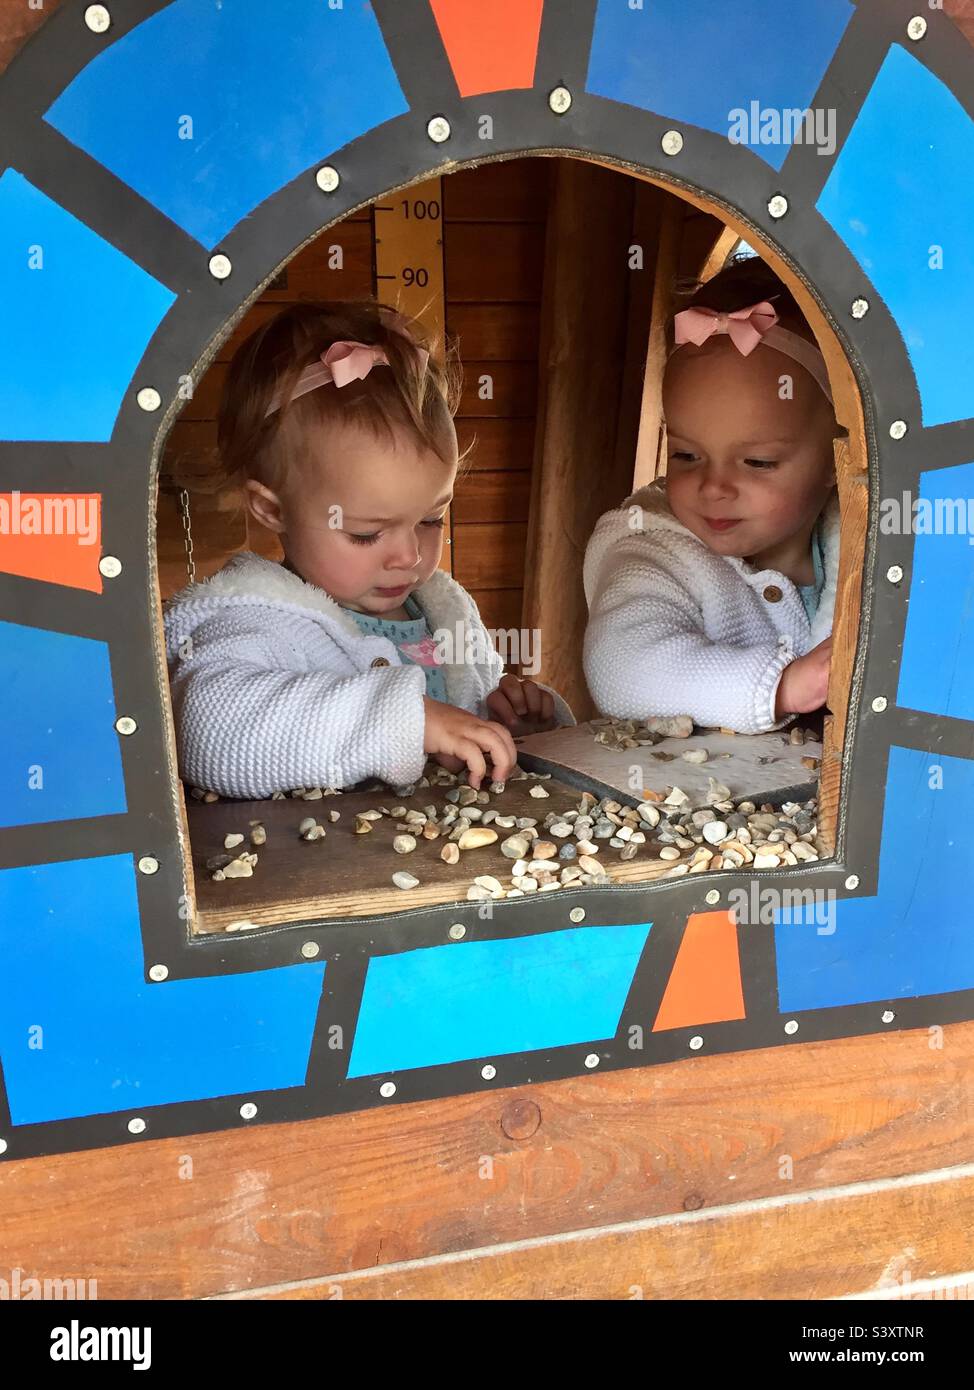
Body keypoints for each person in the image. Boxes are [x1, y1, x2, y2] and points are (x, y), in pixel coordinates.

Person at [164, 301, 572, 798]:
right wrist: (403, 722)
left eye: (430, 519)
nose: (408, 556)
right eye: (365, 533)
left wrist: (513, 723)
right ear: (271, 510)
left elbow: (464, 732)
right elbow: (209, 732)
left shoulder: (445, 613)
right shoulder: (256, 620)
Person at [583, 259, 840, 734]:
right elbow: (620, 670)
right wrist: (780, 686)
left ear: (836, 460)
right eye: (685, 455)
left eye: (758, 462)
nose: (714, 487)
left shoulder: (868, 547)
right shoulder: (650, 547)